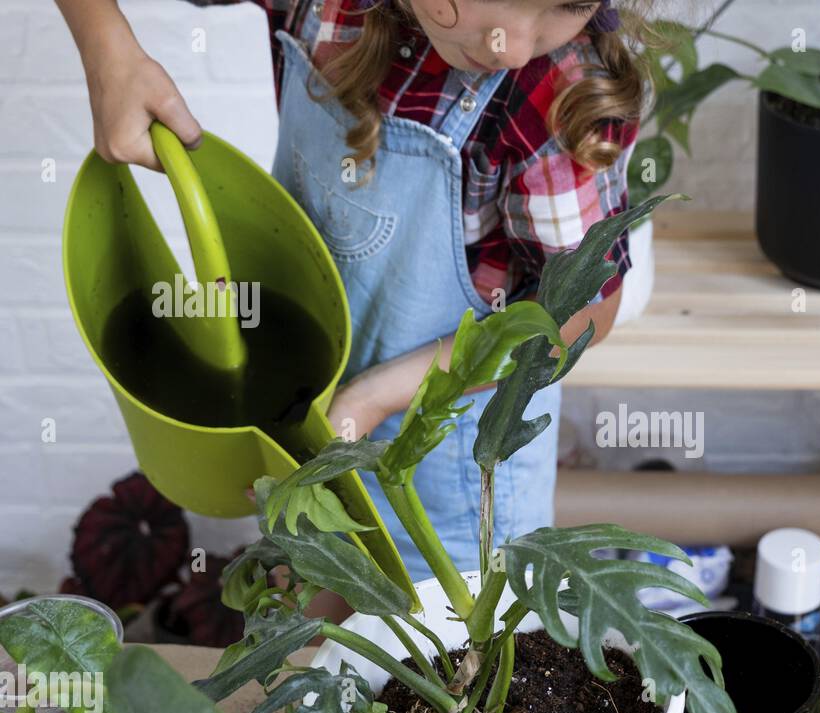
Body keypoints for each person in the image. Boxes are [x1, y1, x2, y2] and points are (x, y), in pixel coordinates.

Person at [55, 0, 648, 586]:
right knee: (327, 652)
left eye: (570, 5)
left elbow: (584, 310)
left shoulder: (560, 92)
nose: (514, 48)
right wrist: (109, 53)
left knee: (444, 665)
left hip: (458, 477)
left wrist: (373, 399)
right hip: (313, 425)